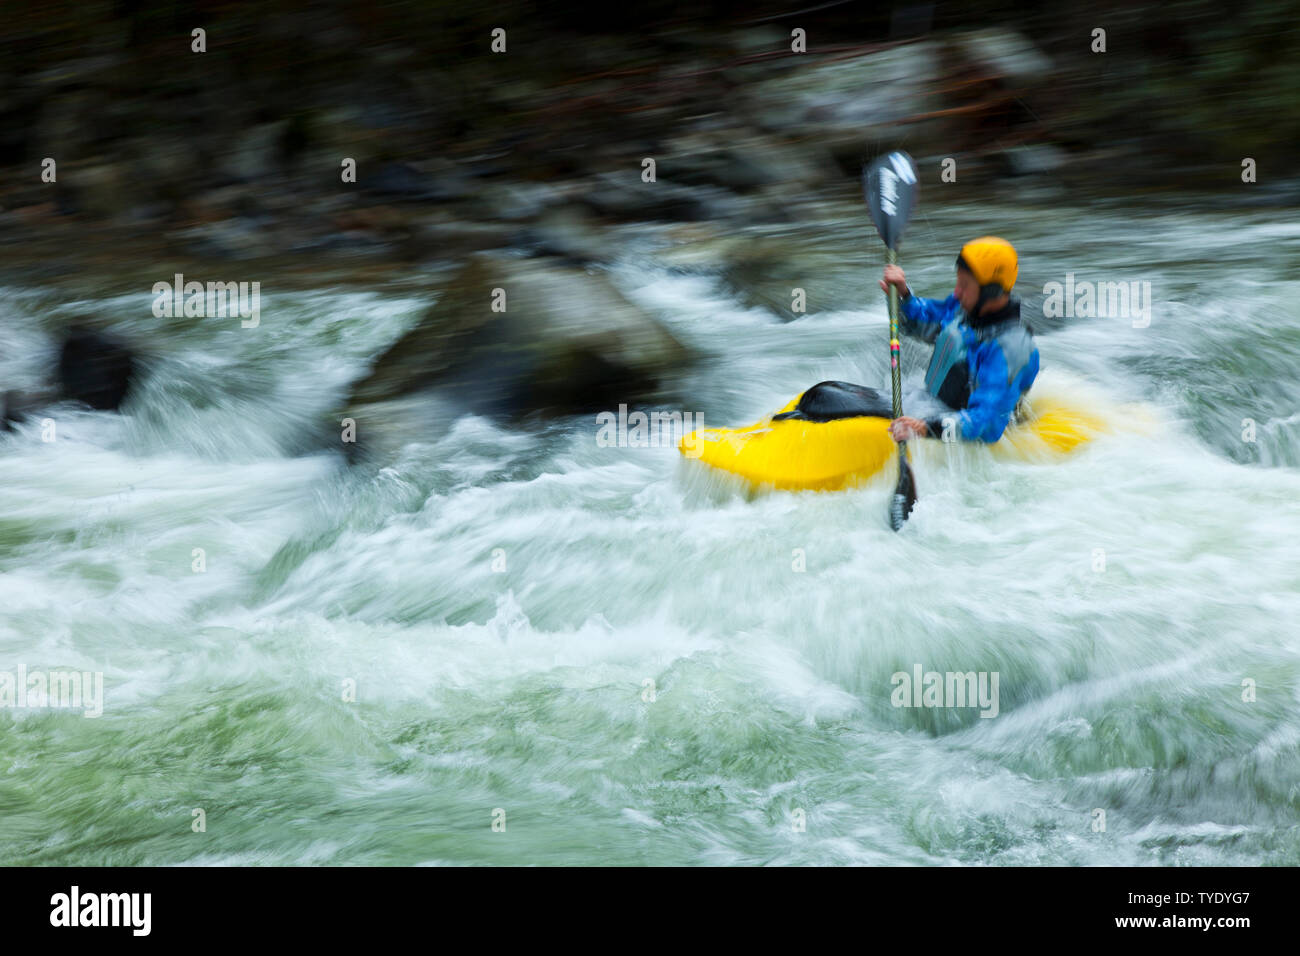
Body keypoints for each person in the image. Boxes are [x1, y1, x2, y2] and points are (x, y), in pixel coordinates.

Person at [880, 236, 1038, 443]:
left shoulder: (1012, 349)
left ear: (991, 292)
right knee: (831, 395)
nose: (956, 291)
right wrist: (903, 294)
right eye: (958, 281)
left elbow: (986, 424)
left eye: (964, 285)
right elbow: (922, 323)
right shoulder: (965, 310)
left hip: (966, 434)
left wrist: (926, 429)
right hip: (929, 406)